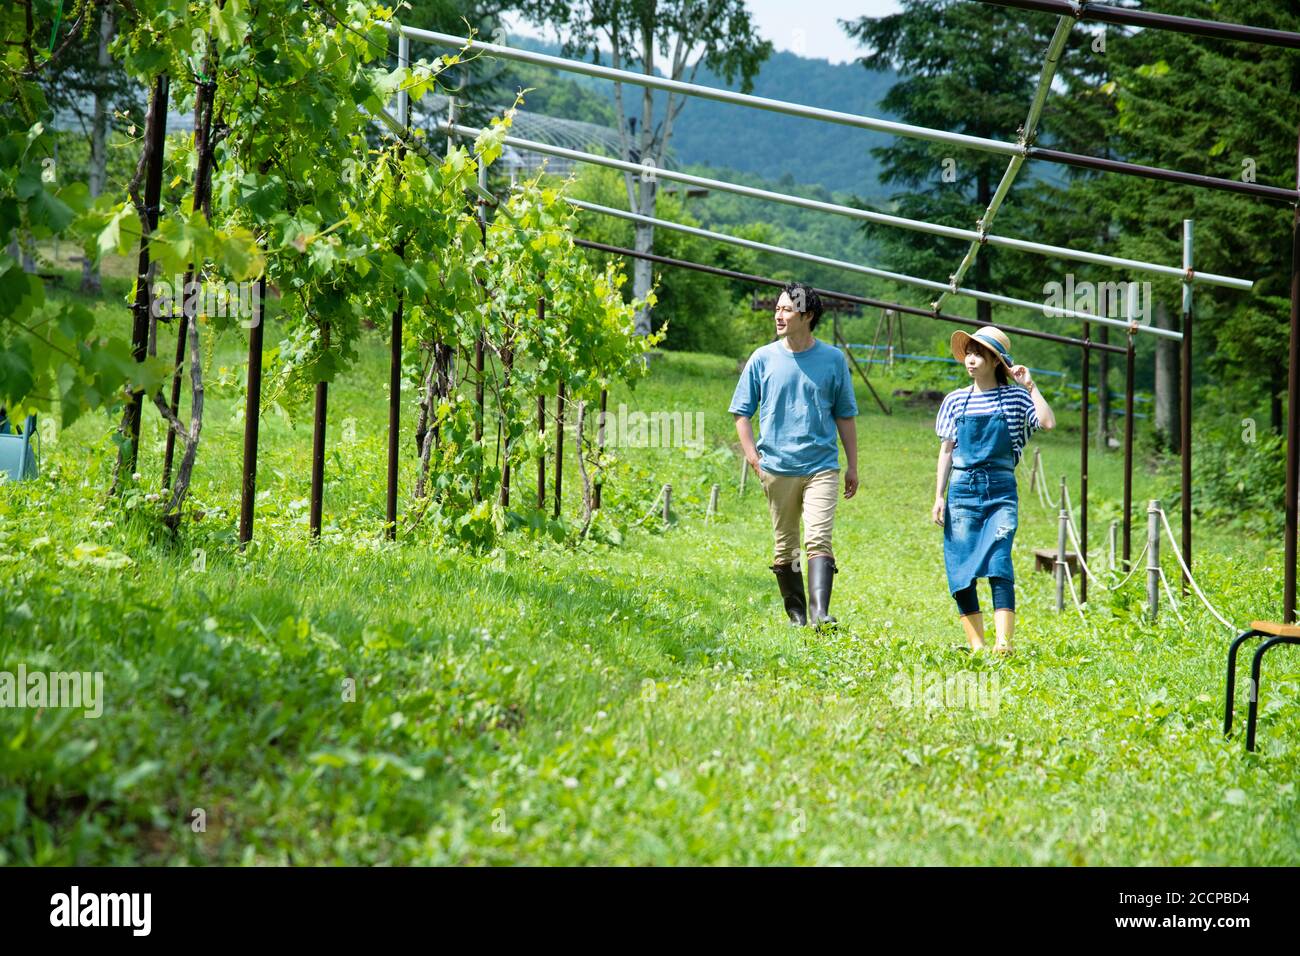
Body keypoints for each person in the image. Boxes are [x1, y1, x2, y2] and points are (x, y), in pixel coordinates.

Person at [730, 283, 859, 627]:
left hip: (822, 467)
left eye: (787, 309)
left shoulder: (833, 359)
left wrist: (853, 465)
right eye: (778, 309)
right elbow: (741, 412)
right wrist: (754, 458)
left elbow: (845, 415)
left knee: (818, 537)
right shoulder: (763, 358)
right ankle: (797, 615)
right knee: (786, 546)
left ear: (808, 316)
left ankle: (820, 615)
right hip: (778, 468)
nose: (779, 315)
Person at [932, 327, 1056, 654]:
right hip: (962, 492)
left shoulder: (1016, 398)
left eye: (978, 354)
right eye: (969, 353)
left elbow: (1047, 422)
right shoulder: (956, 400)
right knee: (959, 567)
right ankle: (977, 646)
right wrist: (938, 496)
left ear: (994, 361)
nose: (970, 360)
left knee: (1000, 561)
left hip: (1001, 492)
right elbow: (947, 451)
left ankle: (1004, 644)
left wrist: (1029, 385)